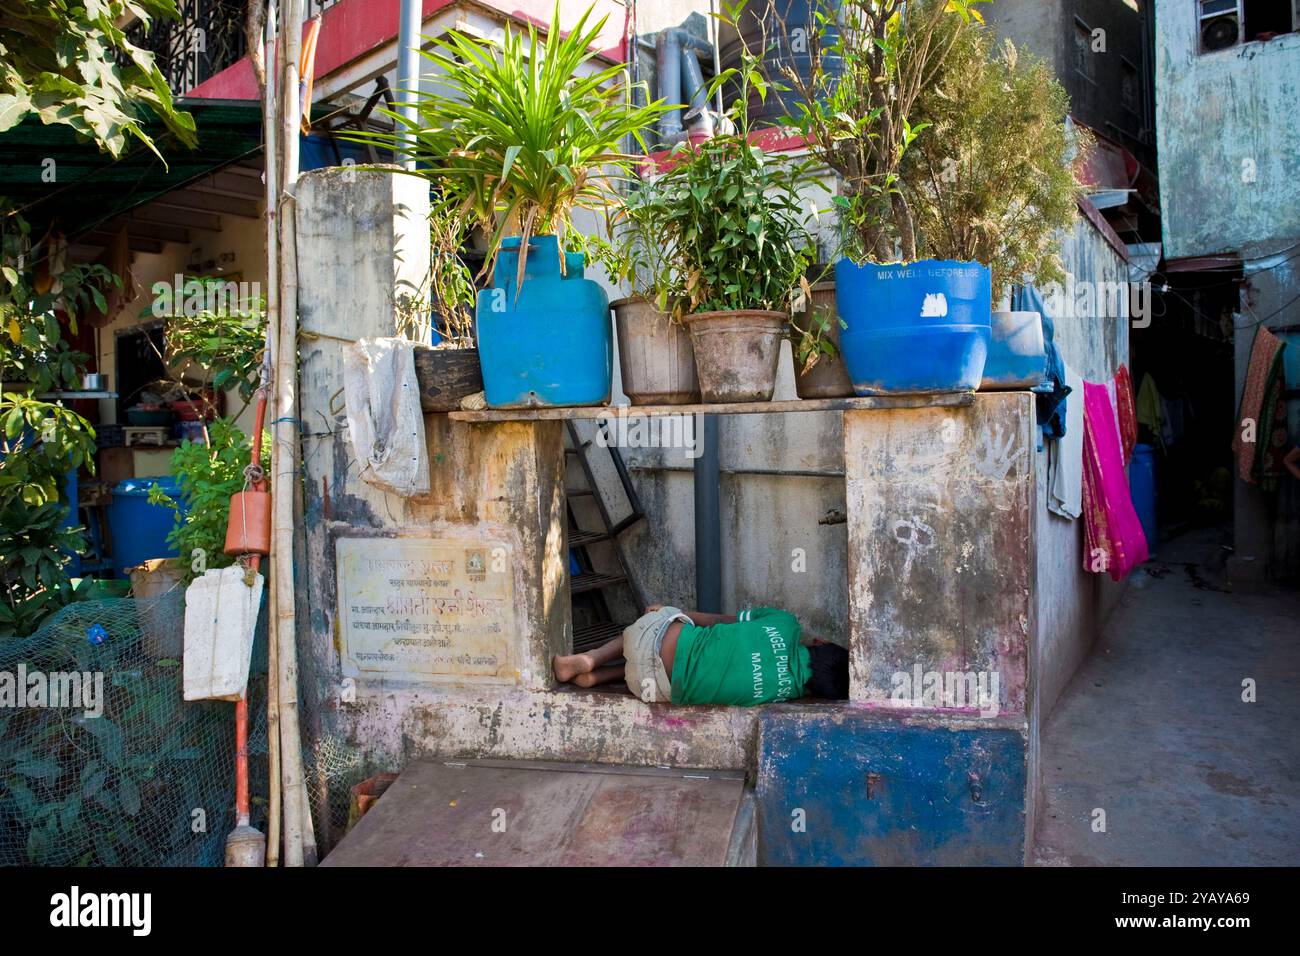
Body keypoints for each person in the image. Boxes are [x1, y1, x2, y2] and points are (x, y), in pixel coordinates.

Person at [552, 603, 849, 705]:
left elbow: (719, 620)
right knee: (682, 669)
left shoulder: (785, 624)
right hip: (649, 688)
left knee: (667, 619)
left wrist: (674, 612)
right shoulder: (785, 694)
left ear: (820, 643)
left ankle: (591, 658)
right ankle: (597, 678)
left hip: (643, 639)